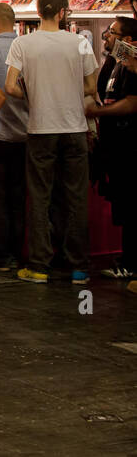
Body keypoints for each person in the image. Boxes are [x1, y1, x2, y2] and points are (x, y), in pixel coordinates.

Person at [4, 0, 97, 285]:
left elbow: (10, 87)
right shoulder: (80, 43)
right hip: (74, 128)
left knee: (40, 197)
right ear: (62, 13)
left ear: (38, 11)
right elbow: (91, 86)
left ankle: (40, 265)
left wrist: (34, 93)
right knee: (76, 197)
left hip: (41, 128)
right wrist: (68, 92)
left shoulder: (22, 43)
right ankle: (79, 267)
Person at [86, 17, 137, 279]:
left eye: (112, 33)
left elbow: (131, 103)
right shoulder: (113, 62)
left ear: (128, 41)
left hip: (129, 145)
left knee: (130, 204)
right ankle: (127, 259)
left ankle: (131, 262)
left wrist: (99, 112)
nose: (106, 36)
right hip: (113, 146)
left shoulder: (133, 67)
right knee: (122, 203)